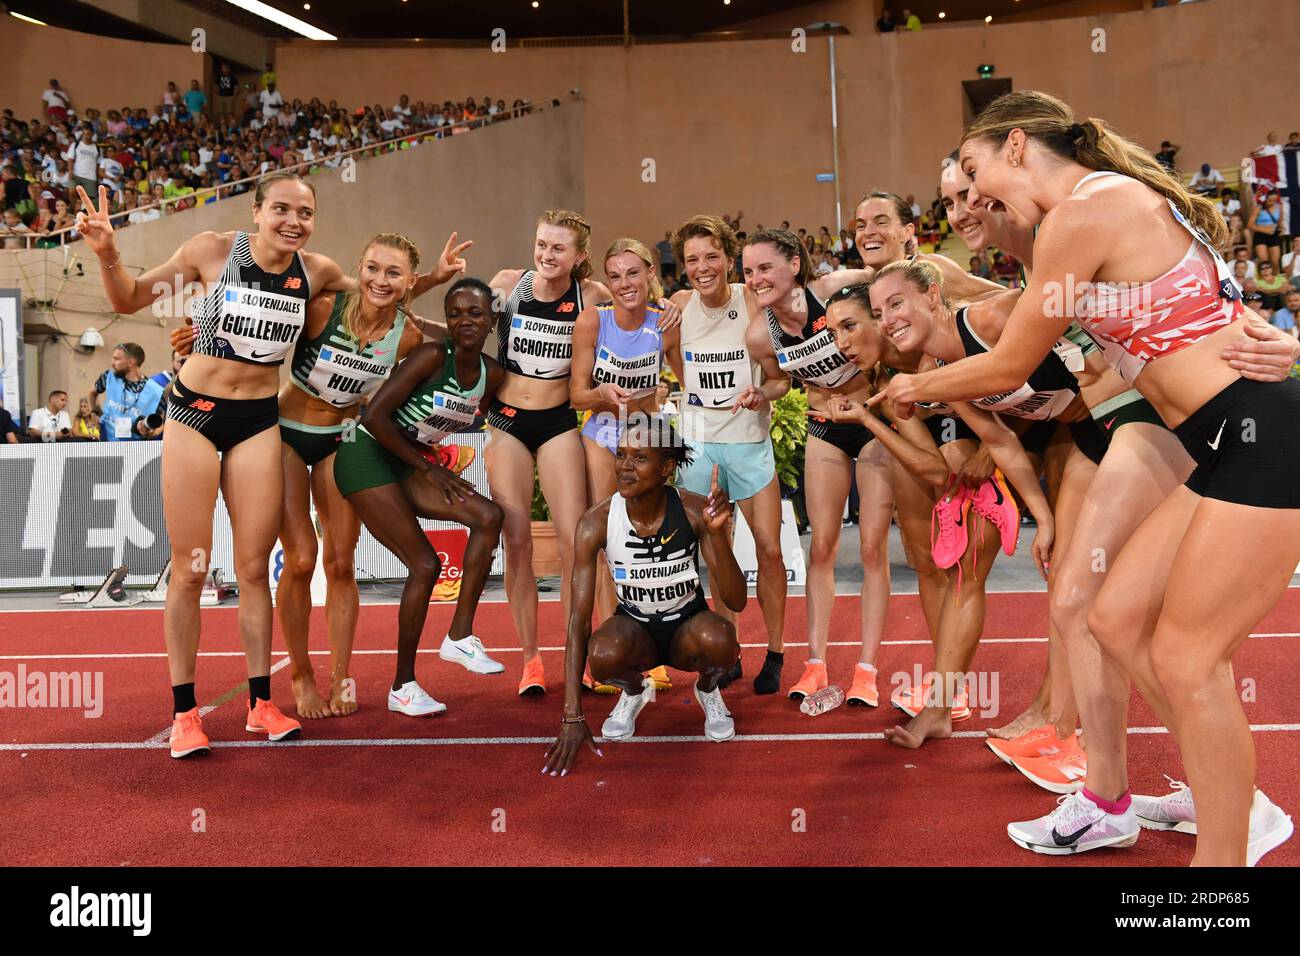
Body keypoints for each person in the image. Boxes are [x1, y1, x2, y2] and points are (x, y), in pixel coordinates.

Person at [878, 90, 1300, 865]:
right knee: (1110, 617)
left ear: (1013, 146)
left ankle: (1228, 856)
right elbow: (1185, 313)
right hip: (1213, 435)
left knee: (1186, 658)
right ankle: (1219, 794)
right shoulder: (1083, 216)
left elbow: (1009, 363)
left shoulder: (1084, 212)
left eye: (973, 171)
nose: (970, 194)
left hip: (1259, 435)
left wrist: (912, 387)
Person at [77, 172, 453, 759]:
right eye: (281, 209)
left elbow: (378, 293)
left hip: (258, 423)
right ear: (256, 212)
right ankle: (184, 713)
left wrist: (433, 279)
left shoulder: (317, 272)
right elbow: (128, 299)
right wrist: (108, 253)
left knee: (254, 569)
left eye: (304, 213)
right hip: (195, 415)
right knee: (191, 571)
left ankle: (260, 703)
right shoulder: (212, 250)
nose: (292, 222)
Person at [487, 211, 679, 696]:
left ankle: (588, 653)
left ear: (578, 257)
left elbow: (641, 298)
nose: (547, 255)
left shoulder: (591, 297)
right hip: (507, 420)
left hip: (556, 424)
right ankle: (532, 659)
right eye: (542, 244)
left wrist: (673, 301)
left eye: (558, 248)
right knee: (519, 545)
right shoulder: (508, 284)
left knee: (580, 544)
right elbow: (460, 323)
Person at [336, 278, 507, 716]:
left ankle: (460, 636)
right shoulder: (432, 355)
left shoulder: (492, 375)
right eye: (455, 313)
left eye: (475, 313)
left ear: (491, 320)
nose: (465, 321)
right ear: (446, 320)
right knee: (425, 564)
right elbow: (373, 416)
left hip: (411, 460)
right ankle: (403, 686)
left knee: (489, 516)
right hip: (366, 457)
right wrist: (432, 468)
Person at [542, 423, 748, 775]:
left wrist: (718, 537)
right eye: (621, 455)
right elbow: (578, 620)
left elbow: (736, 599)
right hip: (635, 629)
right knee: (603, 653)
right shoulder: (596, 522)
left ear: (667, 467)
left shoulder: (695, 510)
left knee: (722, 641)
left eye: (640, 457)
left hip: (688, 627)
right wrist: (572, 714)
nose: (625, 466)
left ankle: (707, 688)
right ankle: (635, 691)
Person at [741, 228, 889, 704]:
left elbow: (886, 279)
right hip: (824, 425)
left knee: (870, 548)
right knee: (821, 550)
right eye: (748, 271)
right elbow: (780, 382)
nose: (757, 278)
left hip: (872, 422)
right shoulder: (761, 334)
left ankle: (866, 670)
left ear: (795, 266)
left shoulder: (836, 290)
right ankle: (815, 665)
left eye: (766, 267)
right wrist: (760, 393)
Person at [663, 216, 788, 694]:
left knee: (770, 549)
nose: (702, 267)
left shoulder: (751, 299)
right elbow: (676, 365)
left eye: (711, 256)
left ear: (729, 260)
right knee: (716, 553)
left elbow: (780, 378)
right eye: (692, 259)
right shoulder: (679, 306)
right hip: (699, 446)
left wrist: (762, 394)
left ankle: (774, 652)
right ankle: (728, 649)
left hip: (749, 443)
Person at [570, 237, 671, 692]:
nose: (625, 283)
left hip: (649, 437)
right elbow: (576, 394)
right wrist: (601, 394)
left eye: (633, 273)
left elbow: (687, 380)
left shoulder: (667, 320)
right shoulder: (593, 320)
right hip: (603, 435)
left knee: (658, 541)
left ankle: (658, 648)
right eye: (615, 275)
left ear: (650, 272)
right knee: (613, 544)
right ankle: (616, 648)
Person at [88, 343, 165, 441]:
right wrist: (94, 413)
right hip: (107, 439)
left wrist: (151, 432)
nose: (112, 363)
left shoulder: (156, 391)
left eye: (116, 359)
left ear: (130, 362)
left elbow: (162, 423)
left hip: (135, 447)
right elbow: (92, 392)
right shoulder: (109, 376)